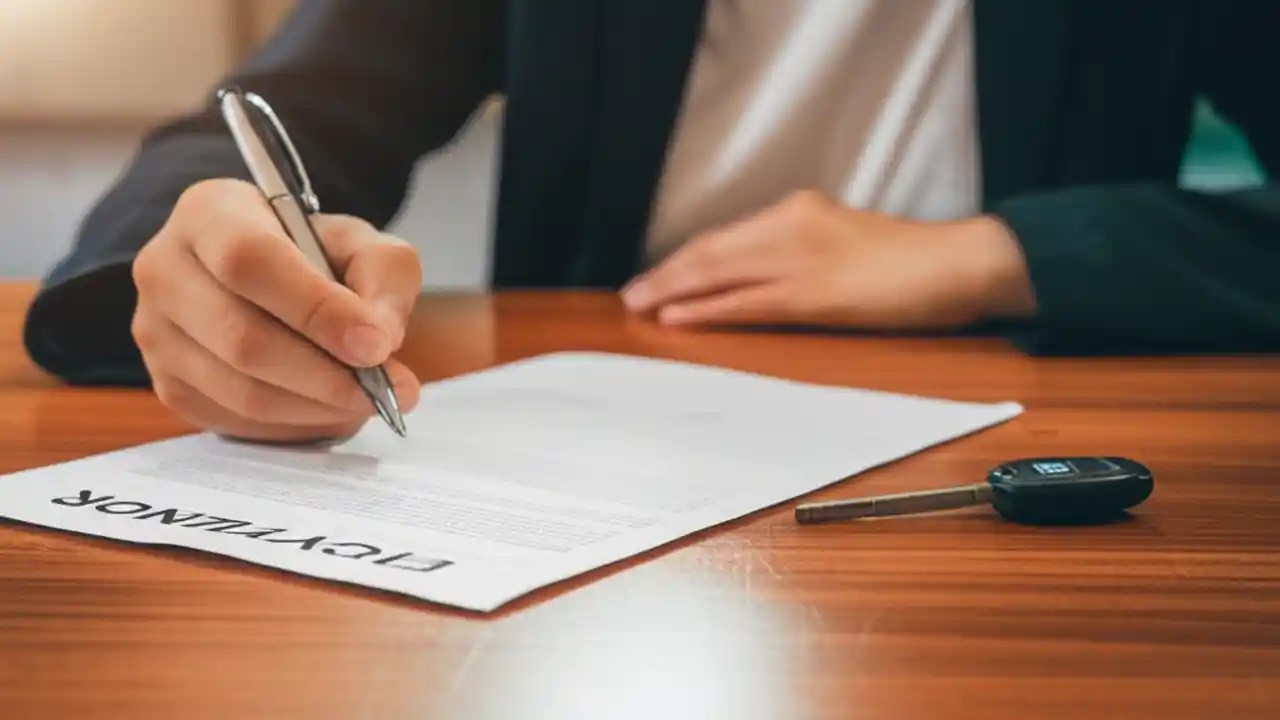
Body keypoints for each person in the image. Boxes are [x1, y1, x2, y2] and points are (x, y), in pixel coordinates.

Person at [23, 1, 1280, 442]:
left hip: (1009, 462)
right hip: (598, 471)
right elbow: (259, 121)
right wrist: (190, 254)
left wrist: (1000, 252)